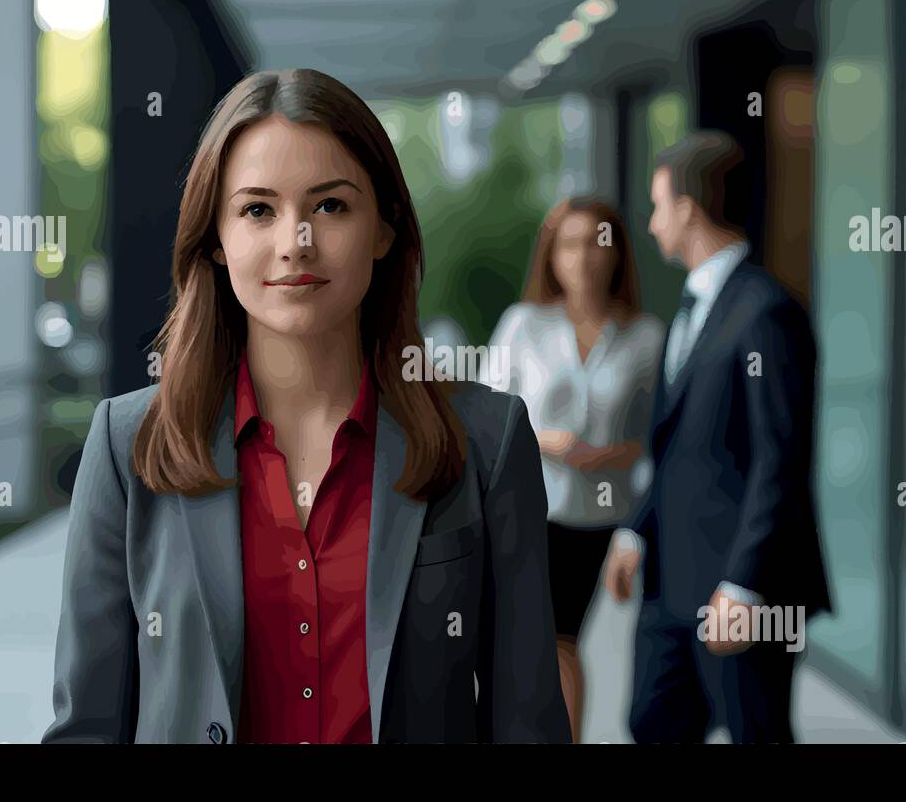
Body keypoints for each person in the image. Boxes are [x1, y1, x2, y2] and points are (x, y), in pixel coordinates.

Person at [42, 68, 569, 744]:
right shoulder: (126, 447)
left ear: (384, 229)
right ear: (215, 239)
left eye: (331, 206)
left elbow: (528, 725)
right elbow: (87, 727)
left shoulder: (487, 444)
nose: (296, 241)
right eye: (258, 209)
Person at [603, 131, 832, 743]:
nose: (650, 225)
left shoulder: (766, 311)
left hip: (739, 586)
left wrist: (744, 585)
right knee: (651, 723)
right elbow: (677, 446)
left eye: (657, 206)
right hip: (672, 582)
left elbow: (780, 459)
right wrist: (634, 528)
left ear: (687, 208)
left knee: (755, 733)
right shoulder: (691, 306)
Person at [481, 198, 665, 742]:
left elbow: (659, 441)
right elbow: (486, 418)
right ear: (551, 254)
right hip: (523, 509)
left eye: (596, 242)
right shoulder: (523, 325)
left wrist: (607, 455)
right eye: (569, 243)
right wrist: (543, 440)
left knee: (560, 639)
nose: (583, 257)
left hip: (593, 517)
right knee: (525, 643)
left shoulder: (646, 338)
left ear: (615, 253)